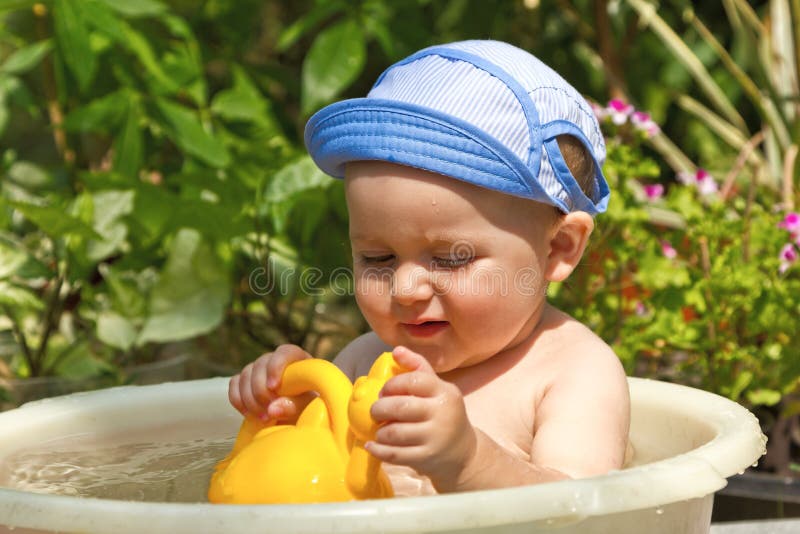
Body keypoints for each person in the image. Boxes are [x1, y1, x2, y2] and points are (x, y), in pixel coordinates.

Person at [228, 40, 630, 496]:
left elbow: (587, 512)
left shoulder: (571, 373)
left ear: (557, 249)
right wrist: (293, 414)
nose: (406, 288)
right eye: (378, 258)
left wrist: (470, 461)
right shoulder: (363, 359)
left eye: (451, 258)